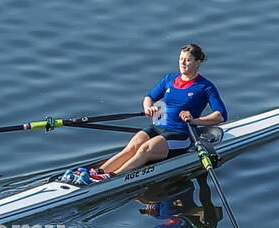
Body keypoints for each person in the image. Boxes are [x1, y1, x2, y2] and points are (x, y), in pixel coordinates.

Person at [60, 44, 228, 184]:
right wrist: (149, 107)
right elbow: (149, 97)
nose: (183, 63)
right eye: (181, 59)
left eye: (188, 60)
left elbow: (221, 115)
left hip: (181, 135)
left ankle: (112, 177)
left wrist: (195, 119)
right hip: (158, 127)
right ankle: (98, 172)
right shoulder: (169, 79)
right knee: (132, 147)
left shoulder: (205, 87)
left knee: (145, 149)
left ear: (198, 62)